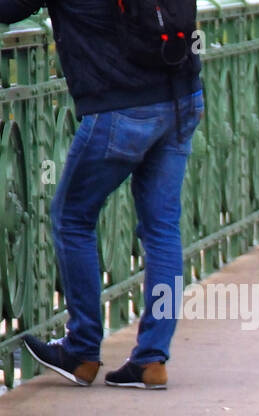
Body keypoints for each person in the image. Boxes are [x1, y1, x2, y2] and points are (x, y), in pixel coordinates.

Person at [3, 0, 203, 390]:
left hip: (122, 108)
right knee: (162, 229)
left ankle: (82, 350)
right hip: (182, 98)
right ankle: (152, 360)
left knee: (72, 219)